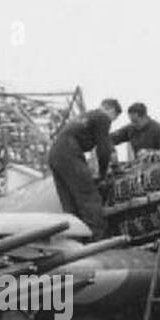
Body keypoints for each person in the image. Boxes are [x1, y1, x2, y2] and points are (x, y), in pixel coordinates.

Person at [46, 98, 121, 238]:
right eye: (115, 118)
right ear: (111, 110)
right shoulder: (103, 117)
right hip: (69, 151)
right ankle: (97, 236)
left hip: (55, 153)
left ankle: (76, 236)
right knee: (89, 196)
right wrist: (103, 174)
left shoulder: (87, 116)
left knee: (69, 200)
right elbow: (104, 148)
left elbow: (106, 142)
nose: (112, 121)